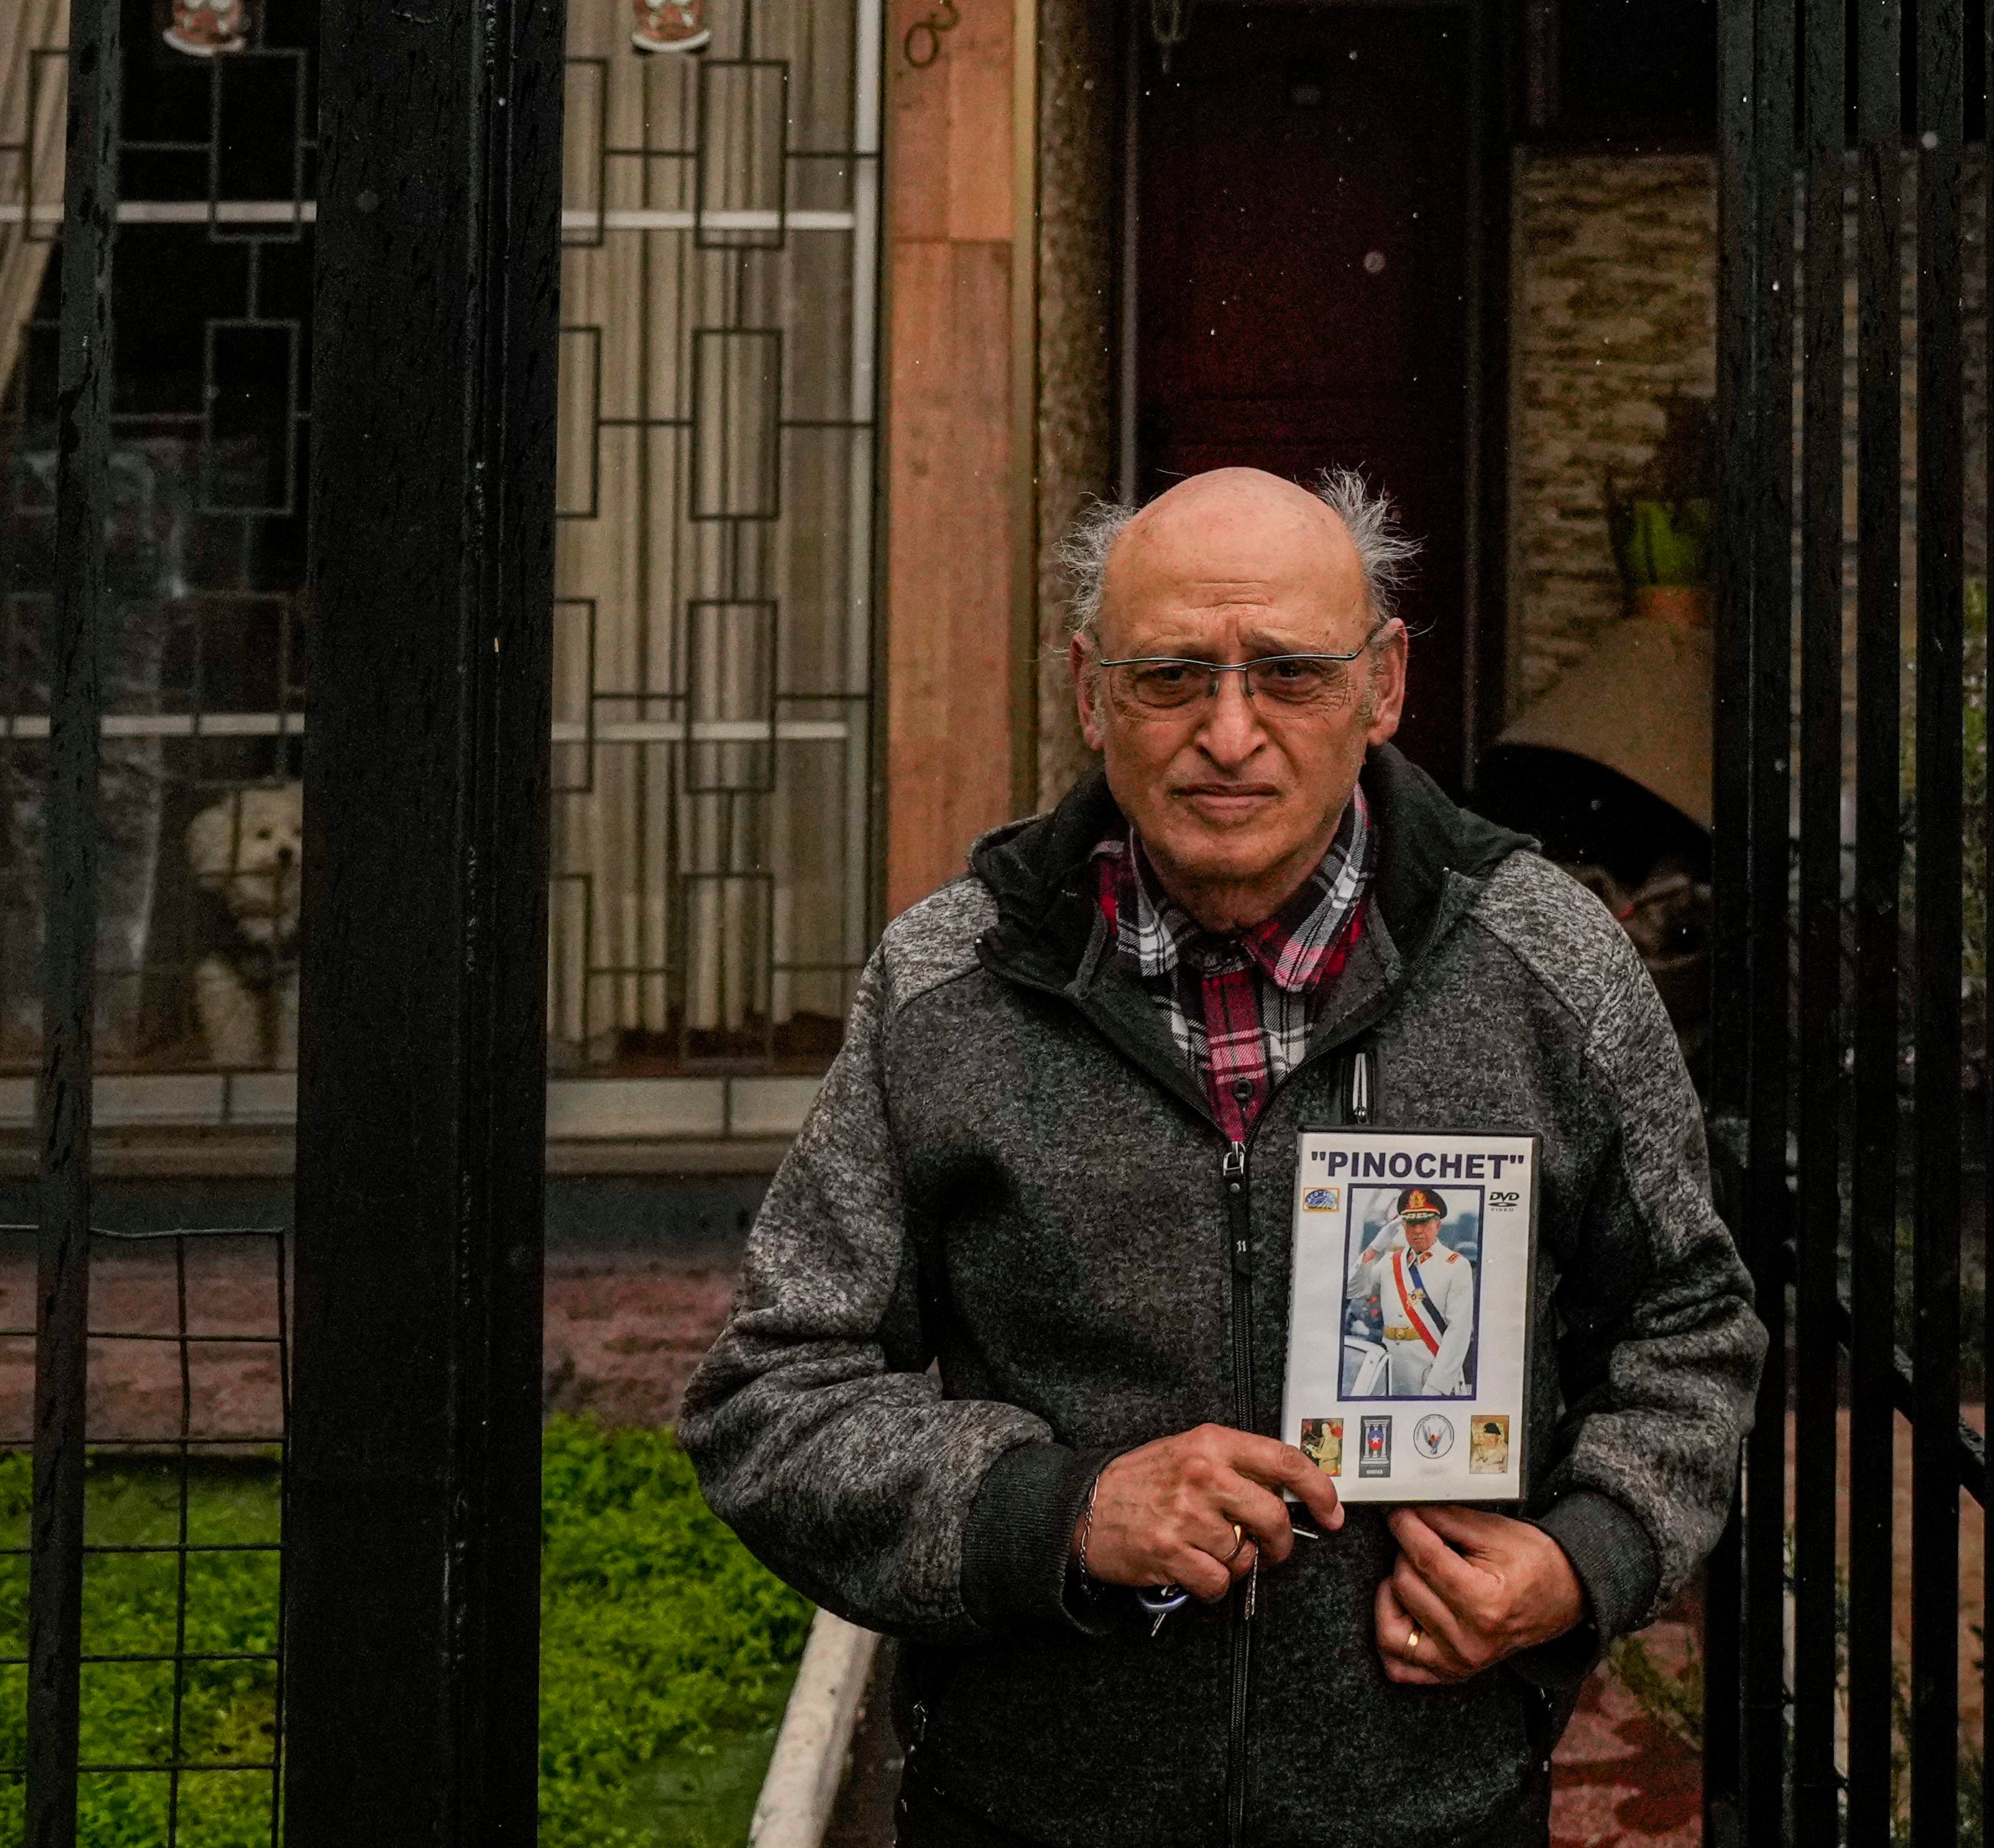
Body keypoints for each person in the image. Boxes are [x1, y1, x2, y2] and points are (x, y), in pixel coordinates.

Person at [685, 467, 1758, 1848]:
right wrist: (1059, 1510)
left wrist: (1581, 1556)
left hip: (1436, 1811)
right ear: (1090, 691)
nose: (1229, 731)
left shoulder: (1545, 963)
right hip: (1029, 1816)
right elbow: (769, 1395)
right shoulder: (949, 980)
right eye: (1173, 673)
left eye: (1291, 674)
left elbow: (1693, 1322)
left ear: (1383, 685)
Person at [1334, 1182, 1474, 1402]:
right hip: (1392, 1374)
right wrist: (1374, 1247)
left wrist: (1437, 1387)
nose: (1418, 1231)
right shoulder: (1391, 1261)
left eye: (1425, 1222)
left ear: (1437, 1225)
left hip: (1431, 1376)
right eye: (1411, 1223)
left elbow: (1459, 1332)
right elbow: (1354, 1290)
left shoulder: (1456, 1266)